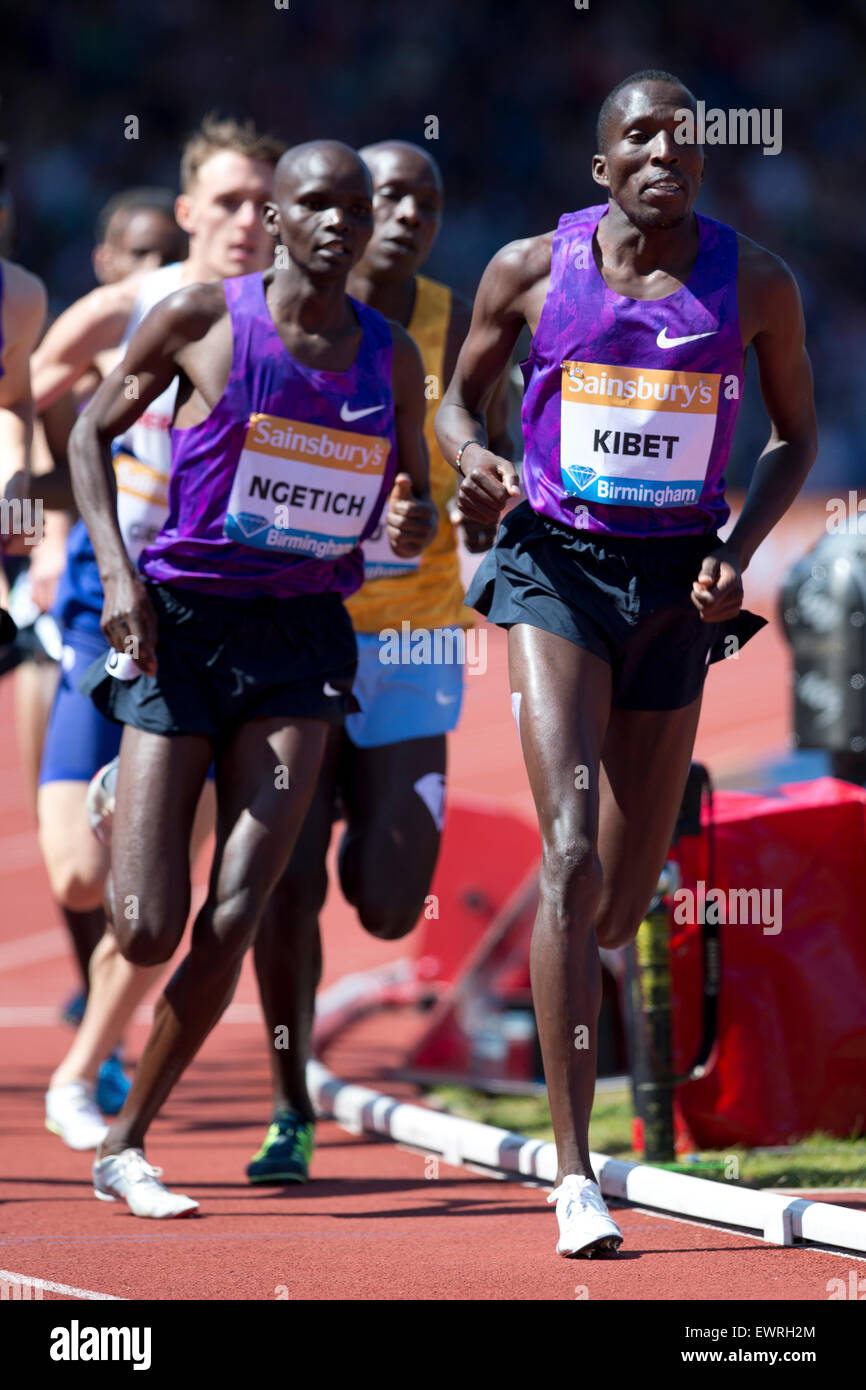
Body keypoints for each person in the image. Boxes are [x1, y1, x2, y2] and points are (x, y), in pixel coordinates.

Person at [435, 70, 817, 1257]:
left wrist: (734, 553)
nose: (663, 150)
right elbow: (455, 404)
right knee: (563, 854)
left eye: (682, 137)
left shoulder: (752, 280)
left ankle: (588, 939)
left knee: (617, 881)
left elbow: (793, 436)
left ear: (702, 166)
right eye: (637, 136)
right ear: (600, 168)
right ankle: (573, 1171)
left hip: (673, 586)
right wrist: (476, 462)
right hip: (554, 567)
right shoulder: (526, 268)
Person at [70, 139, 437, 1218]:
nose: (337, 225)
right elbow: (92, 437)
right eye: (313, 206)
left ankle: (127, 1144)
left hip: (298, 642)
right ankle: (128, 796)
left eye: (352, 210)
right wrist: (120, 578)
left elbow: (403, 500)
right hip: (181, 626)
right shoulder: (204, 319)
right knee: (142, 925)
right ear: (272, 220)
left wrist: (409, 517)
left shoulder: (388, 356)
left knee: (236, 908)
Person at [246, 138, 511, 1184]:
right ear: (350, 206)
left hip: (413, 643)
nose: (404, 213)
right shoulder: (273, 318)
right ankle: (288, 1104)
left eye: (425, 199)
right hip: (293, 633)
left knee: (394, 901)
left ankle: (361, 806)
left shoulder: (458, 322)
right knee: (284, 881)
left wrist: (485, 499)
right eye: (386, 193)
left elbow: (494, 444)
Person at [39, 119, 283, 1149]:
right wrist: (49, 516)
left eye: (263, 205)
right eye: (227, 201)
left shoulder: (287, 322)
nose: (247, 222)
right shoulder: (132, 306)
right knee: (78, 879)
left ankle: (81, 1069)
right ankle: (112, 794)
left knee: (153, 895)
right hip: (104, 602)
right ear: (187, 212)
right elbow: (33, 387)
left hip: (202, 622)